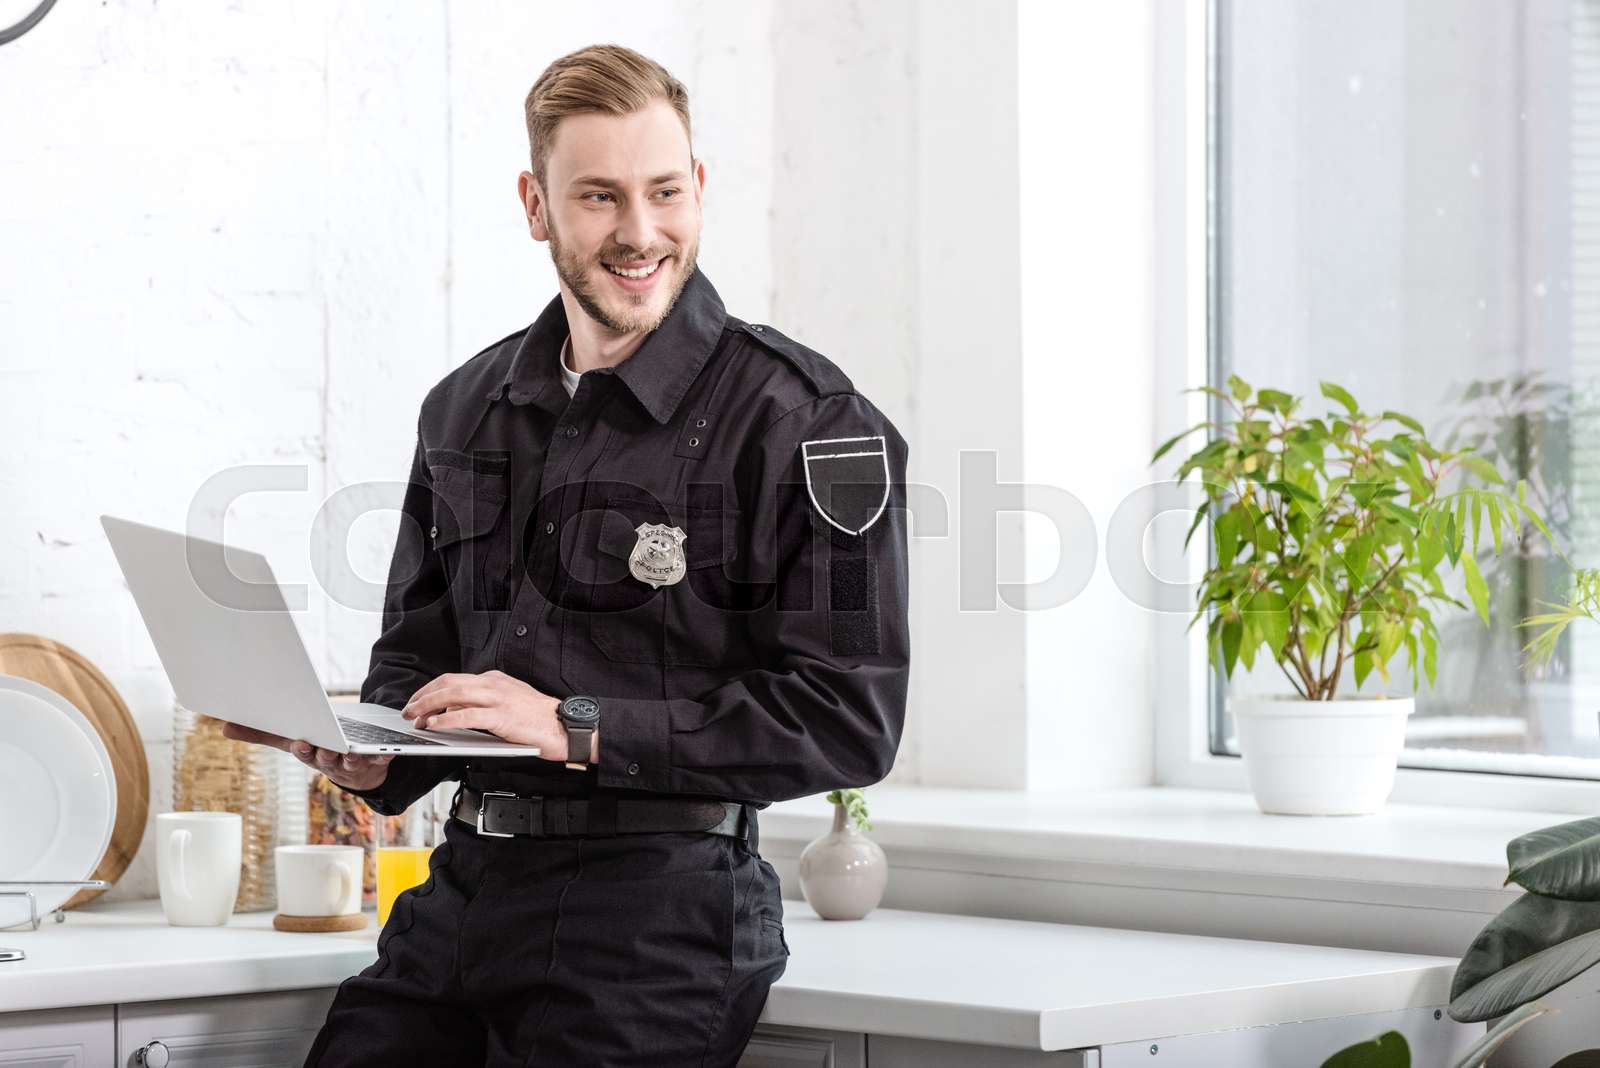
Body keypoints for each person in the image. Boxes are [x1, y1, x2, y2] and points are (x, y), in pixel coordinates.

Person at [224, 42, 909, 1068]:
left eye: (664, 191)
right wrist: (377, 756)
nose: (640, 234)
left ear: (700, 189)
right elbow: (415, 665)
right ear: (536, 205)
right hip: (459, 902)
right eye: (598, 197)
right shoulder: (463, 408)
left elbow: (850, 719)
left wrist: (573, 726)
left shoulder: (811, 422)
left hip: (658, 928)